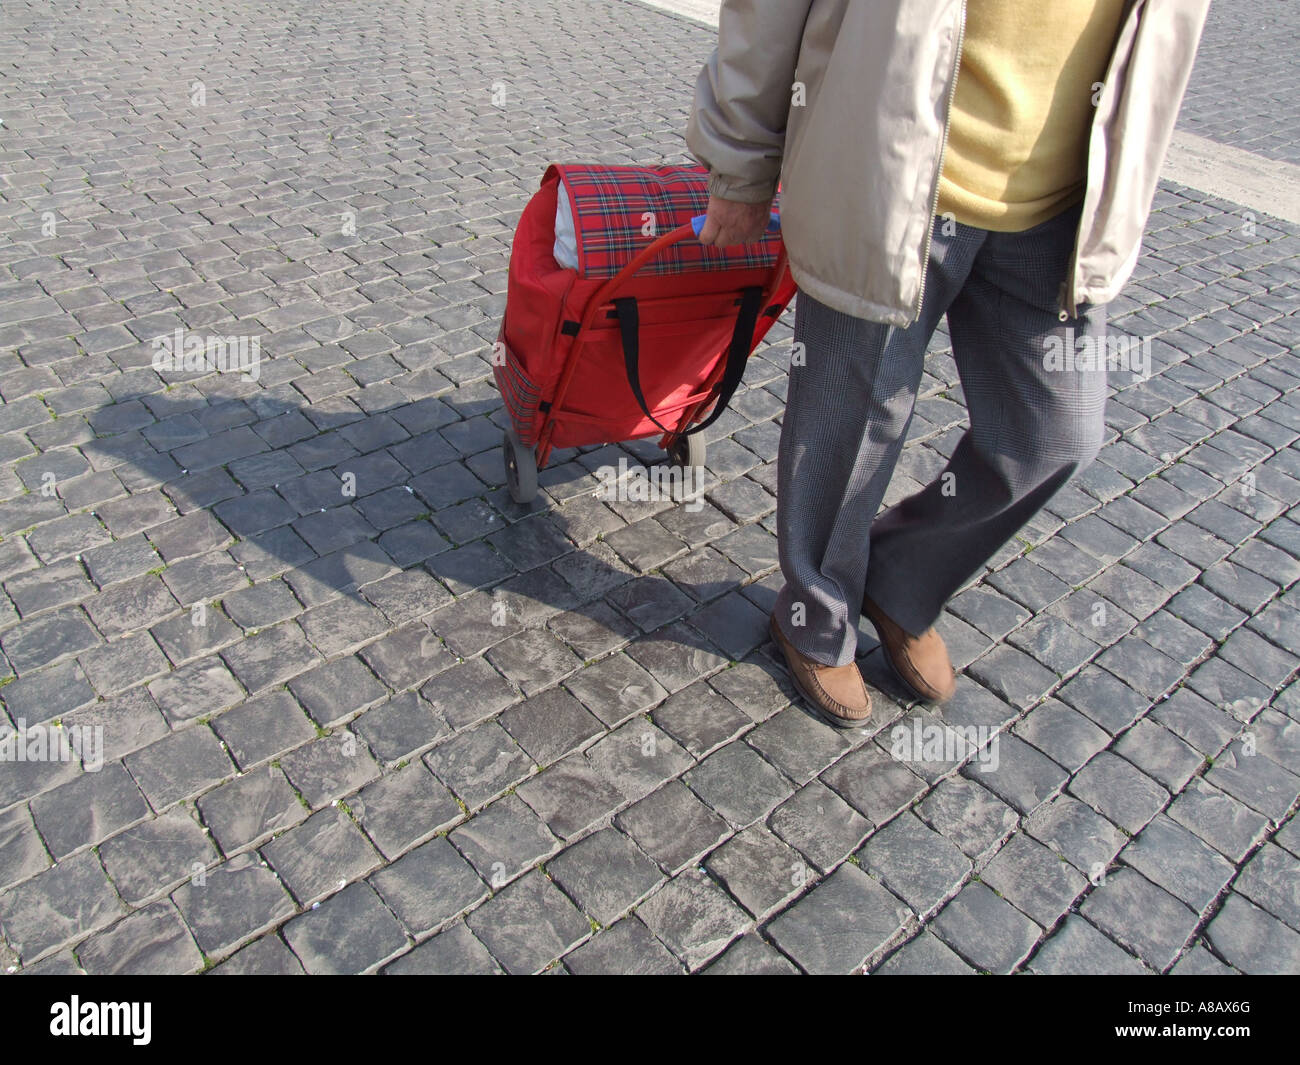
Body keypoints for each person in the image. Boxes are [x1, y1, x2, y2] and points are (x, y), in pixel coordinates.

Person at [687, 0, 1210, 727]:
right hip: (888, 173)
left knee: (1054, 435)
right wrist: (740, 162)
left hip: (1059, 202)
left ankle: (901, 580)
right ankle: (815, 609)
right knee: (851, 425)